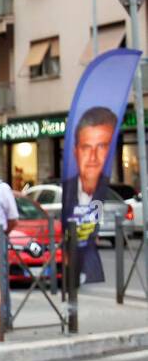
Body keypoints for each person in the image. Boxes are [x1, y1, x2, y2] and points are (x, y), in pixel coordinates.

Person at [61, 105, 118, 283]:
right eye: (86, 147)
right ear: (75, 151)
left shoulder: (102, 190)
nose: (93, 157)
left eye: (101, 147)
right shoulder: (67, 190)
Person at [0, 174, 19, 332]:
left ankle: (3, 322)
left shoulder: (2, 188)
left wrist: (3, 234)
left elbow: (13, 219)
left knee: (0, 279)